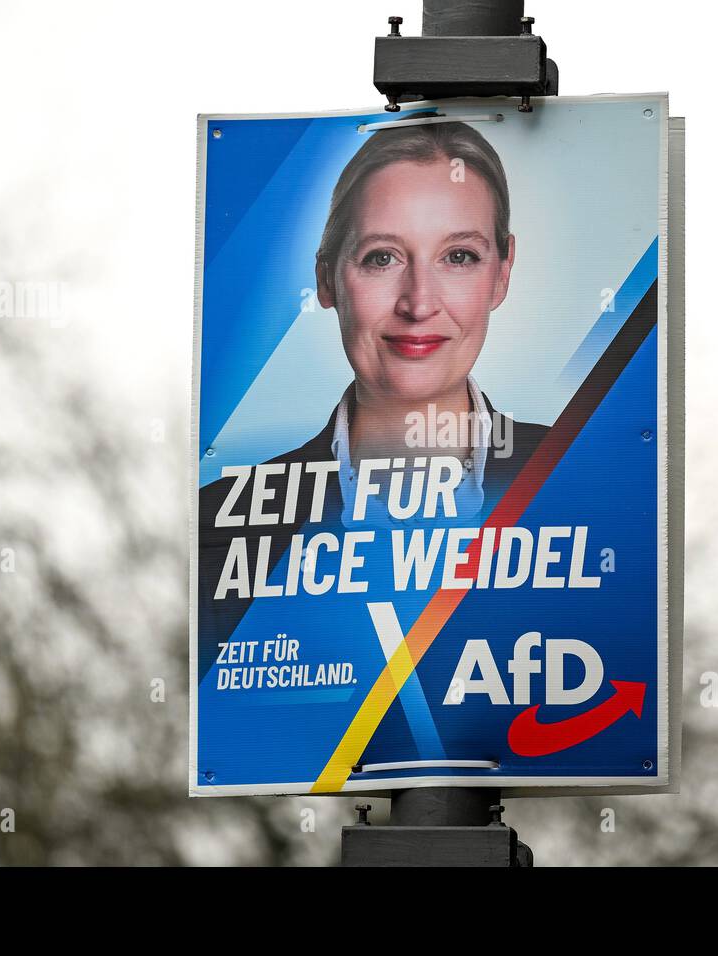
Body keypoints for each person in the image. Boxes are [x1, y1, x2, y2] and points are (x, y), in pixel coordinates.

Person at [198, 119, 546, 666]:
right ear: (328, 279)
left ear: (501, 274)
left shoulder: (581, 479)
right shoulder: (223, 524)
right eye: (382, 257)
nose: (419, 302)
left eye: (459, 257)